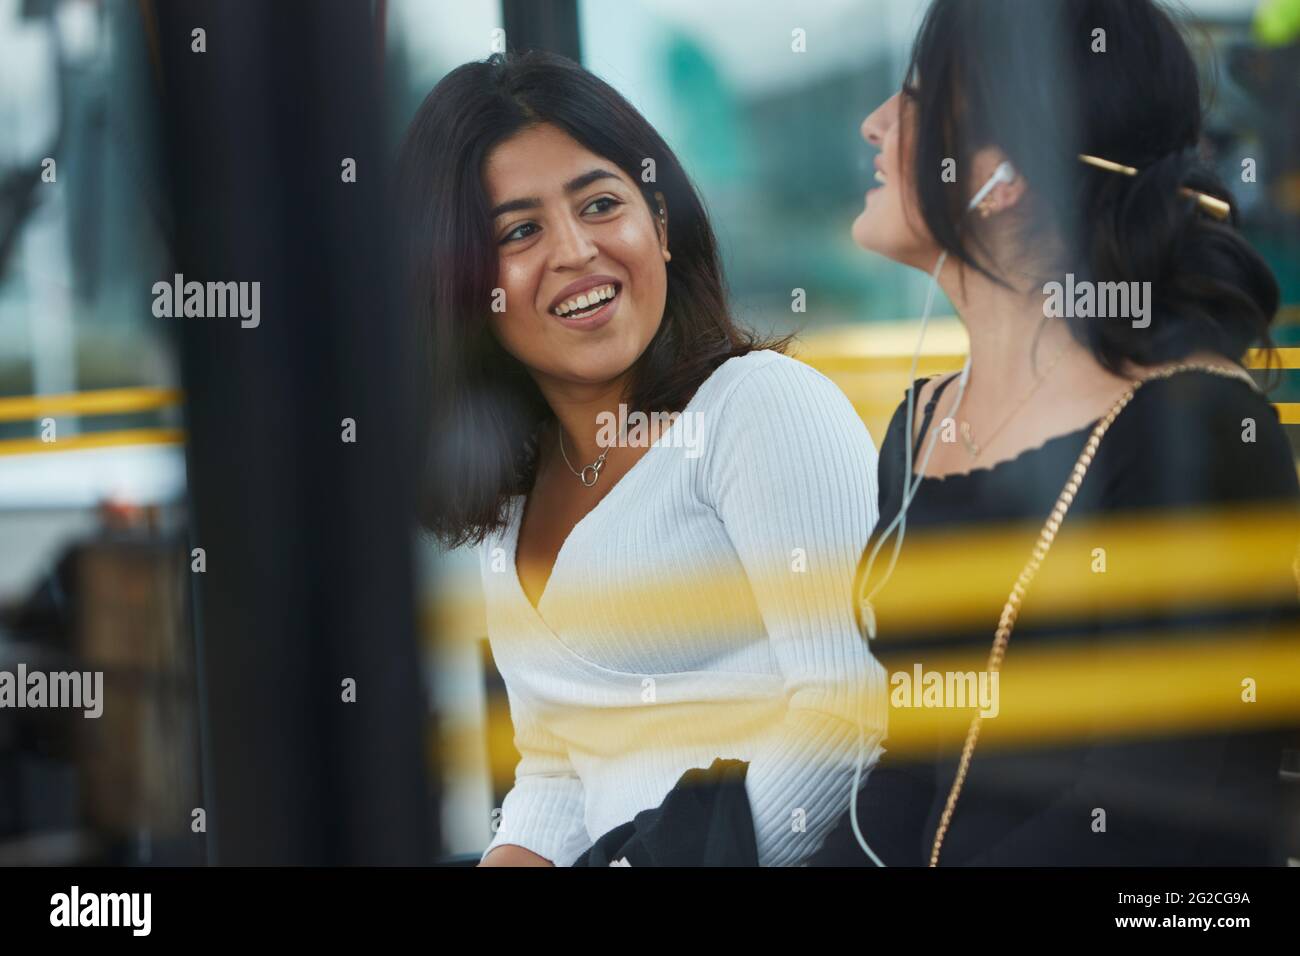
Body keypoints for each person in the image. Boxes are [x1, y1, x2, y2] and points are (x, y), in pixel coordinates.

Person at [810, 0, 1300, 866]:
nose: (876, 124)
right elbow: (903, 777)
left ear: (1005, 176)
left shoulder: (1191, 425)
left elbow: (1141, 821)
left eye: (918, 96)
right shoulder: (922, 426)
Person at [396, 50, 888, 867]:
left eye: (599, 205)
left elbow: (851, 715)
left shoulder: (758, 407)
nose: (576, 250)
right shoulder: (513, 494)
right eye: (519, 231)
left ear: (660, 226)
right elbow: (560, 766)